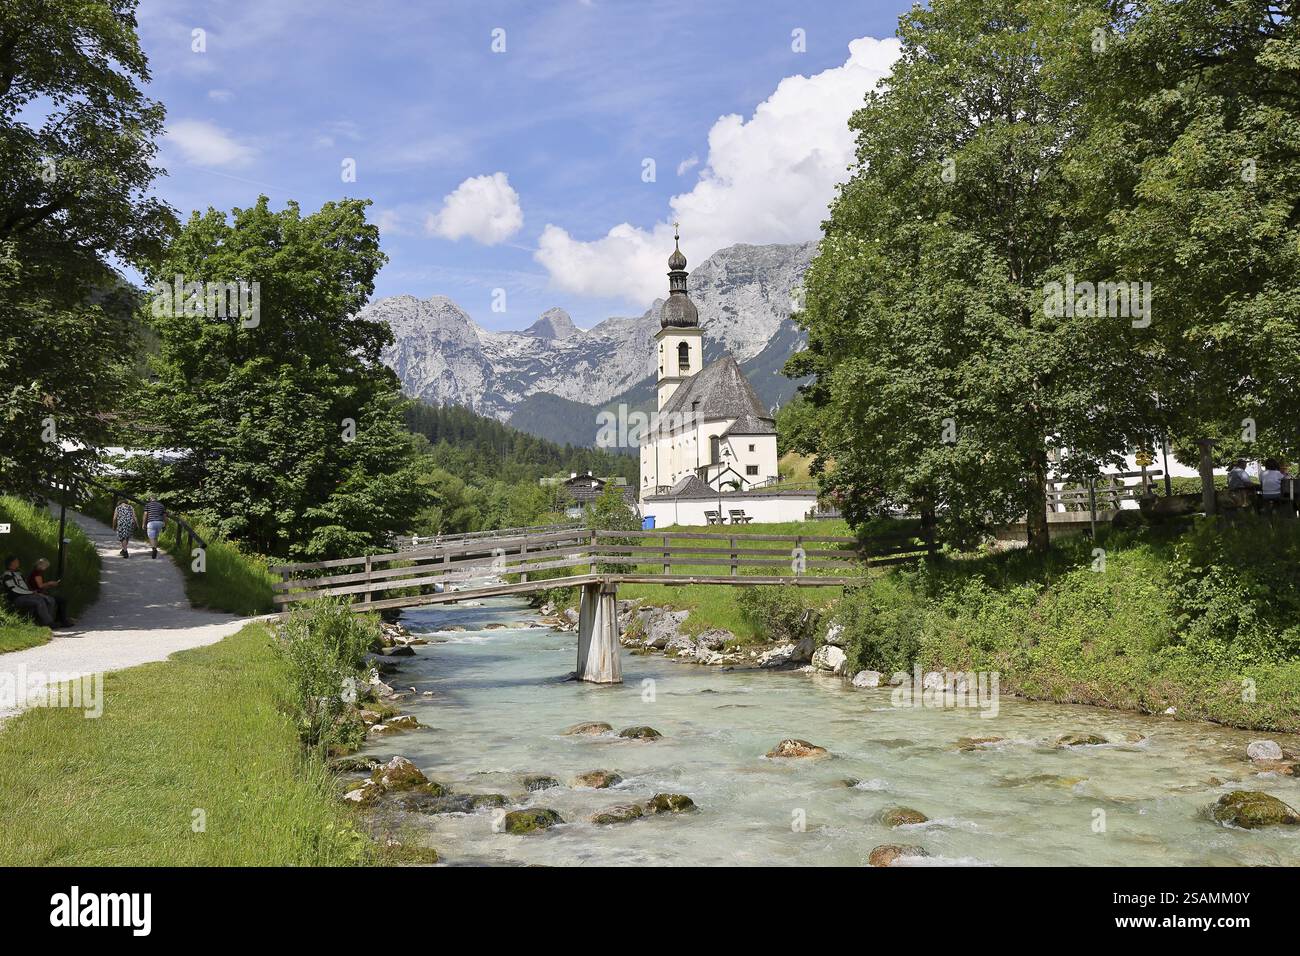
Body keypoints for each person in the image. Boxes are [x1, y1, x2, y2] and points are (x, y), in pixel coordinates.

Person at [2, 556, 68, 627]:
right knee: (39, 601)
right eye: (17, 561)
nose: (18, 562)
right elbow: (15, 589)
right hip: (17, 598)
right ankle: (49, 623)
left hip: (26, 595)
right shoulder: (7, 575)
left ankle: (47, 622)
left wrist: (35, 593)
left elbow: (26, 587)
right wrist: (32, 592)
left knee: (46, 599)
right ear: (12, 563)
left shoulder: (18, 574)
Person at [24, 557, 71, 626]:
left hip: (40, 592)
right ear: (41, 565)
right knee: (61, 600)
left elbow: (41, 586)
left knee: (61, 600)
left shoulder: (37, 572)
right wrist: (50, 583)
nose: (46, 568)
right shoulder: (36, 573)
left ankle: (60, 620)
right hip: (37, 593)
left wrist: (50, 585)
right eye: (45, 566)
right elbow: (40, 586)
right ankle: (60, 621)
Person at [142, 495, 166, 559]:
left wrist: (143, 524)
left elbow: (145, 514)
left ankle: (154, 549)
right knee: (156, 537)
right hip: (160, 523)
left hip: (151, 522)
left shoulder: (148, 505)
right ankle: (155, 548)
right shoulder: (161, 505)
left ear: (150, 499)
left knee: (151, 537)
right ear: (156, 499)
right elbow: (165, 516)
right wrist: (165, 525)